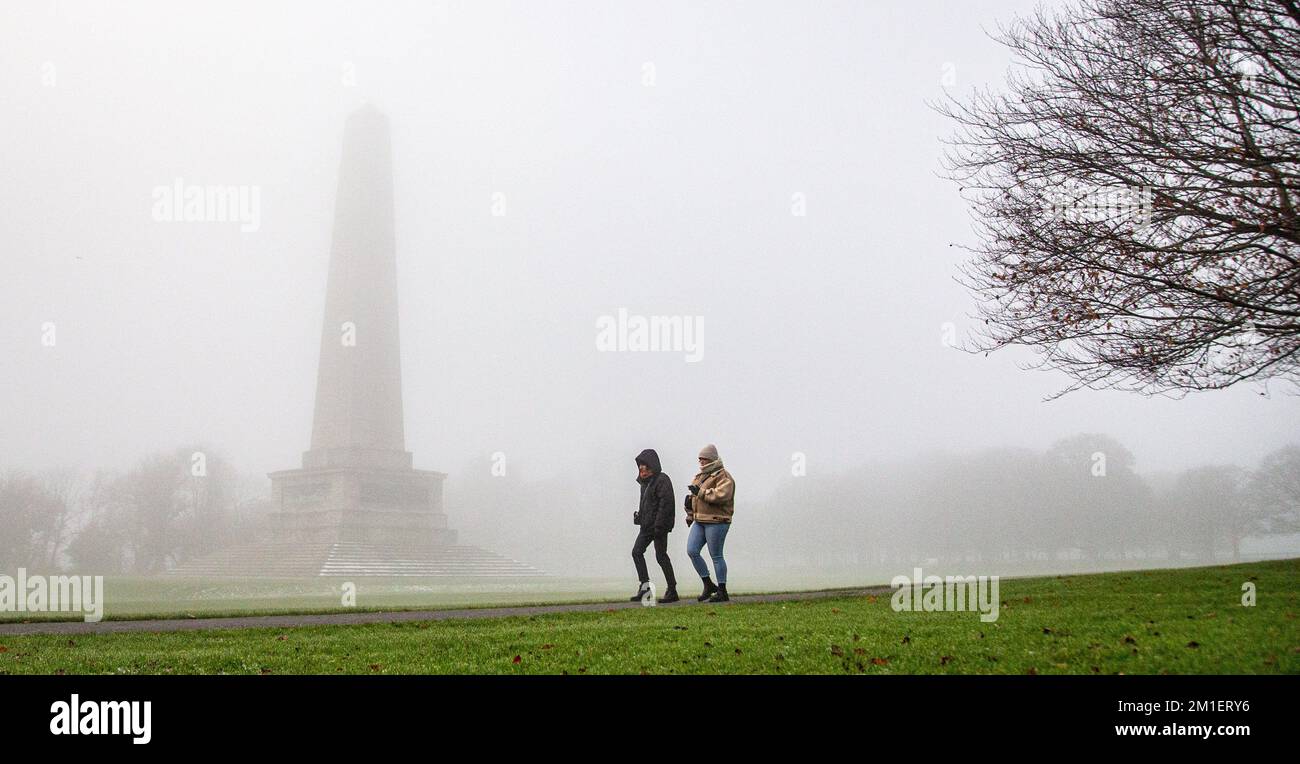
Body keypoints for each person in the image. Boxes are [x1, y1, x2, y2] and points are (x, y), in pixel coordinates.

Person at [685, 443, 735, 602]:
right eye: (700, 460)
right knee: (692, 550)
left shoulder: (724, 476)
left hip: (717, 521)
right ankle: (708, 584)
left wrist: (700, 493)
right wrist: (690, 514)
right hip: (700, 520)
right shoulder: (699, 477)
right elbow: (694, 498)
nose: (701, 463)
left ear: (711, 459)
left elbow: (721, 495)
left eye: (704, 459)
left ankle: (722, 590)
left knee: (716, 555)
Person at [631, 448, 678, 603]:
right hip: (646, 526)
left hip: (659, 526)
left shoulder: (662, 480)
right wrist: (639, 516)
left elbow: (666, 504)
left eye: (645, 468)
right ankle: (645, 588)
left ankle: (672, 590)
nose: (642, 471)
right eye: (640, 468)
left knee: (661, 556)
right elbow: (647, 505)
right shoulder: (644, 484)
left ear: (652, 467)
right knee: (637, 552)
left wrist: (660, 525)